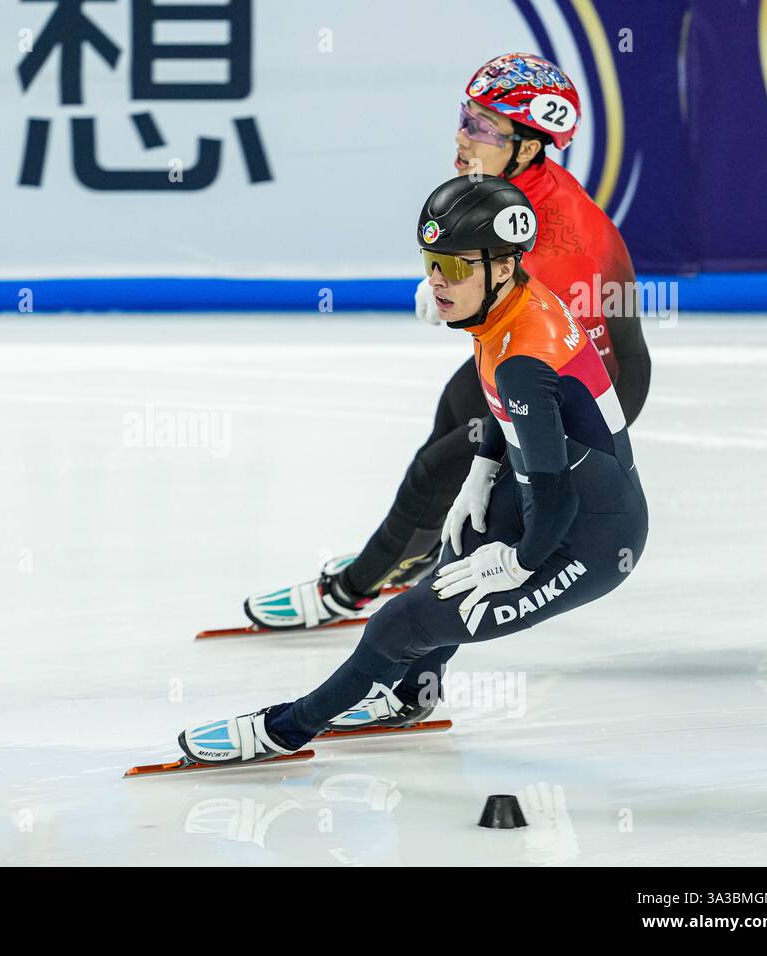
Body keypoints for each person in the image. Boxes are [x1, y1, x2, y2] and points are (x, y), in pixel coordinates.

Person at [178, 175, 647, 766]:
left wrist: (520, 562)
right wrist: (482, 468)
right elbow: (530, 426)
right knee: (459, 543)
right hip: (560, 492)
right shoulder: (513, 304)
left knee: (399, 623)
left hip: (589, 536)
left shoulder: (526, 356)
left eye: (453, 268)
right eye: (431, 263)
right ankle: (410, 694)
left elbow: (554, 499)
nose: (436, 283)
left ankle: (287, 730)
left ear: (501, 266)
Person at [242, 52, 651, 725]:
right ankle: (407, 570)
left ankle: (362, 588)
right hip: (521, 345)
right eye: (467, 117)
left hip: (576, 372)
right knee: (445, 447)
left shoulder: (561, 242)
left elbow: (555, 353)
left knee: (463, 487)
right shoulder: (513, 190)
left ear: (530, 143)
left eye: (485, 127)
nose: (464, 137)